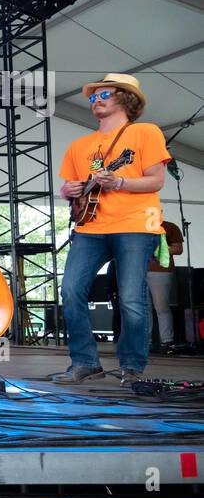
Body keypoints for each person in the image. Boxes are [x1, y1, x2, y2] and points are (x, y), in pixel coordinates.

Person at [54, 73, 171, 386]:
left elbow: (156, 180)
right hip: (90, 227)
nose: (96, 100)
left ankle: (132, 366)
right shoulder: (80, 145)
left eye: (104, 94)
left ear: (125, 98)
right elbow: (68, 187)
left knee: (132, 298)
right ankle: (84, 362)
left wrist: (120, 181)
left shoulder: (145, 132)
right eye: (93, 97)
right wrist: (69, 192)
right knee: (70, 290)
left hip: (135, 224)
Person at [148, 219, 183, 352]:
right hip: (138, 271)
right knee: (143, 309)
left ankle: (167, 341)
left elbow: (179, 248)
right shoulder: (137, 226)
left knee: (161, 307)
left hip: (160, 270)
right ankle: (146, 342)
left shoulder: (170, 226)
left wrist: (160, 248)